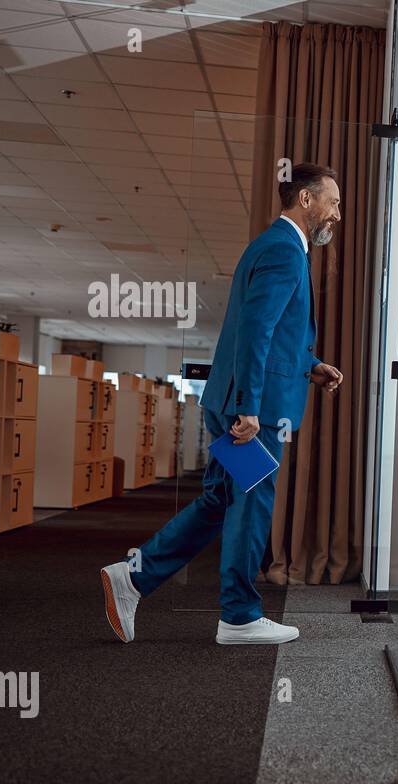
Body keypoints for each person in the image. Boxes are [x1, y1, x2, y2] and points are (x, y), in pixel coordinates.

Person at [100, 163, 345, 646]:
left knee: (220, 499)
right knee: (252, 503)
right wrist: (250, 406)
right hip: (251, 409)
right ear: (306, 201)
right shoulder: (283, 250)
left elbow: (272, 332)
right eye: (333, 201)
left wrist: (309, 364)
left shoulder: (276, 246)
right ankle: (238, 615)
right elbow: (255, 332)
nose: (337, 212)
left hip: (236, 399)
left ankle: (132, 579)